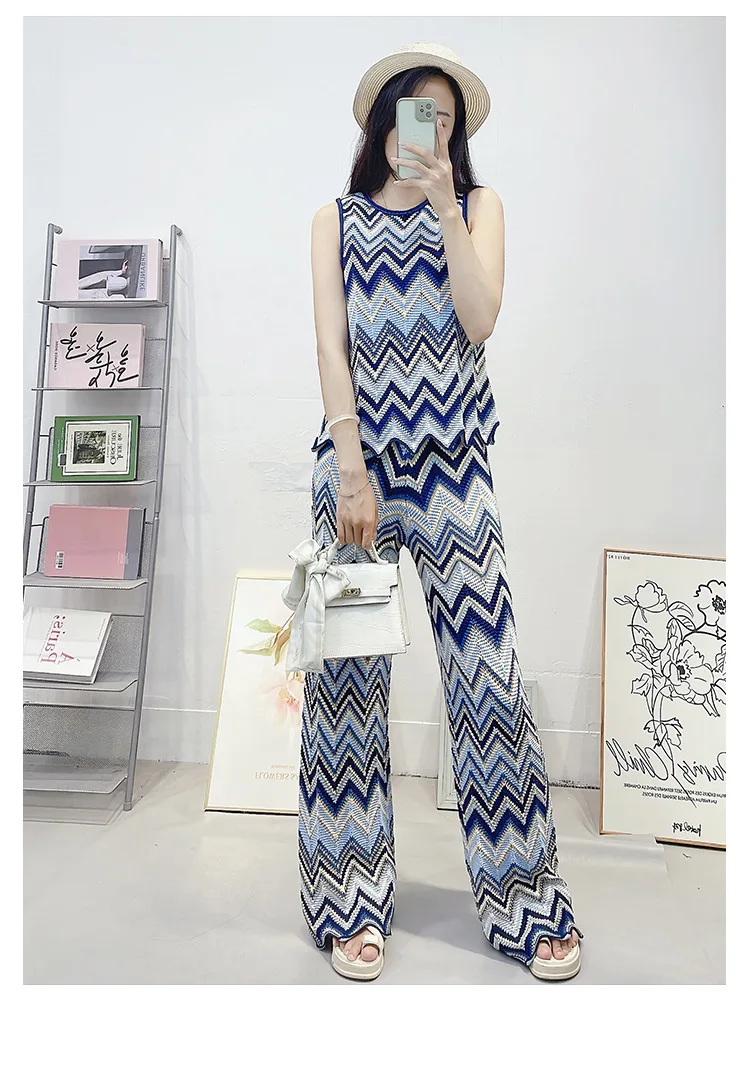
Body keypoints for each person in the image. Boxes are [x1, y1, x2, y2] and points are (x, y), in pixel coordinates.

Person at [300, 42, 583, 982]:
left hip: (456, 471)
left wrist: (445, 213)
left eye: (444, 119)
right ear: (381, 120)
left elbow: (480, 318)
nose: (427, 130)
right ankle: (350, 903)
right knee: (346, 693)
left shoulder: (479, 208)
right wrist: (351, 471)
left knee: (488, 681)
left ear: (454, 136)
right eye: (413, 111)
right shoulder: (334, 221)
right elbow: (332, 350)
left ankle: (528, 901)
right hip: (356, 479)